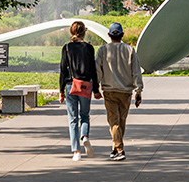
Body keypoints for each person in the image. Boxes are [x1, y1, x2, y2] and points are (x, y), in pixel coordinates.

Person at [95, 22, 143, 161]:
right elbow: (136, 72)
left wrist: (95, 88)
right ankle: (116, 148)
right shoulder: (129, 50)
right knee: (121, 121)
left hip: (109, 90)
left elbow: (97, 70)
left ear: (109, 35)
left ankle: (119, 150)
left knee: (114, 122)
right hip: (125, 91)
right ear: (122, 35)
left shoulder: (103, 50)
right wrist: (138, 90)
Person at [59, 21, 101, 161]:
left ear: (71, 32)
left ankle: (76, 152)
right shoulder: (89, 48)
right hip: (85, 85)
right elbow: (93, 70)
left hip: (71, 85)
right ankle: (85, 136)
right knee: (84, 115)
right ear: (84, 32)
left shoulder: (66, 48)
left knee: (73, 119)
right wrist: (96, 89)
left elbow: (63, 70)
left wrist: (61, 90)